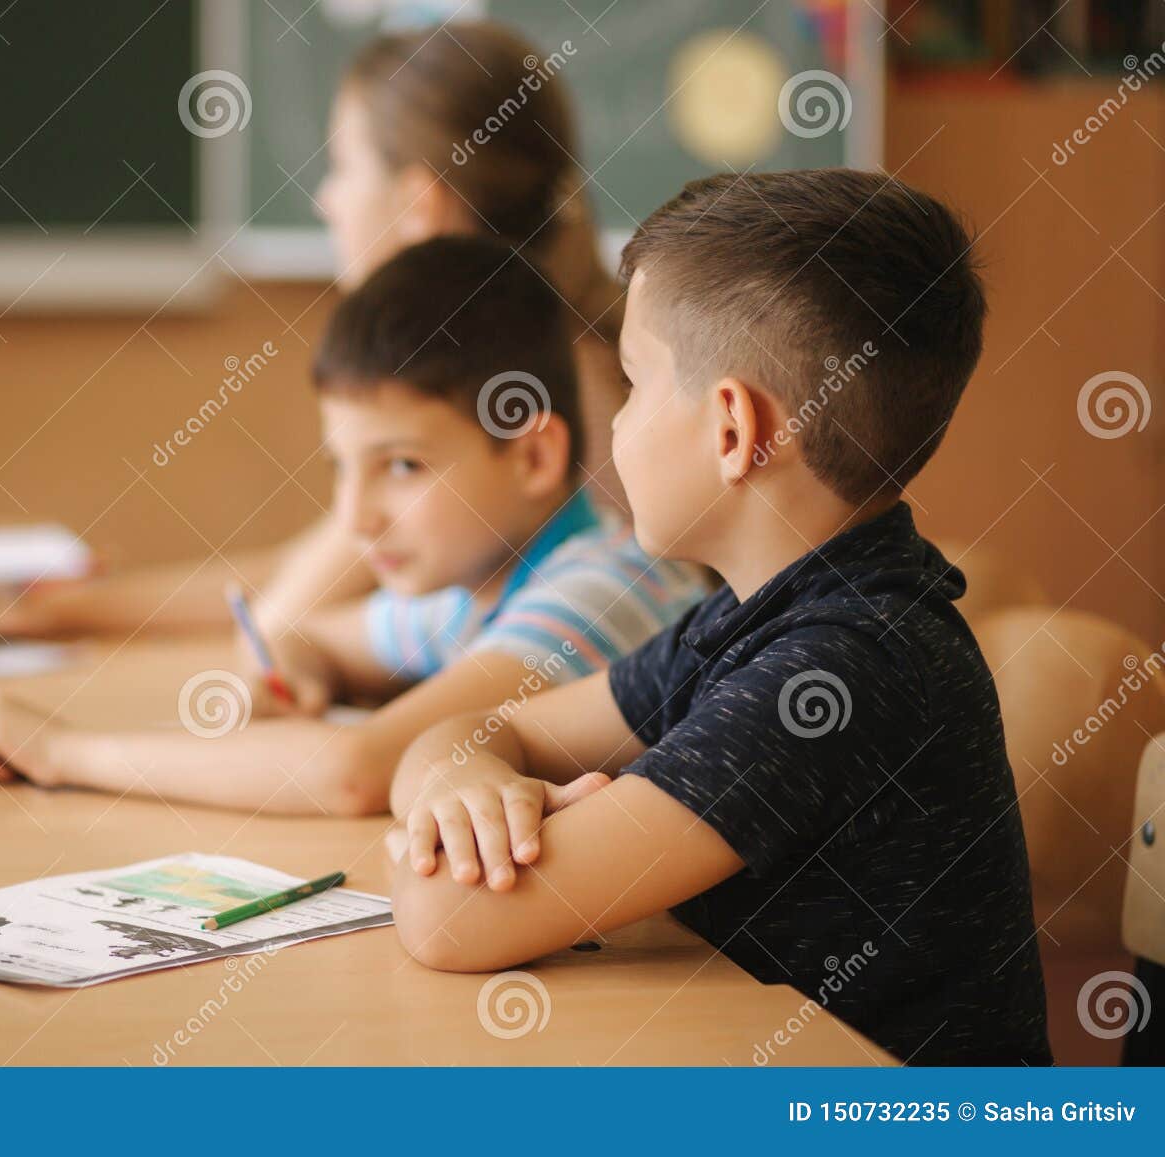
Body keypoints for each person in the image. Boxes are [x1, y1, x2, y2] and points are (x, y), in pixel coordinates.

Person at [387, 170, 1052, 1066]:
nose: (614, 426)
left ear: (734, 429)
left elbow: (450, 919)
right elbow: (465, 731)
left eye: (632, 384)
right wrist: (465, 787)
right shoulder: (759, 612)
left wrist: (471, 817)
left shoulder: (838, 671)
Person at [0, 22, 629, 647]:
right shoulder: (533, 356)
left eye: (343, 168)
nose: (326, 199)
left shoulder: (531, 399)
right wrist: (60, 607)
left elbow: (284, 614)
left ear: (418, 204)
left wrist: (61, 612)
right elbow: (307, 563)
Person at [0, 237, 704, 815]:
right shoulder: (471, 588)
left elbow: (354, 773)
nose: (355, 516)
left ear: (533, 455)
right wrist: (302, 664)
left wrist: (64, 750)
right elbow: (315, 637)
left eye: (402, 465)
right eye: (342, 466)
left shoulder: (601, 590)